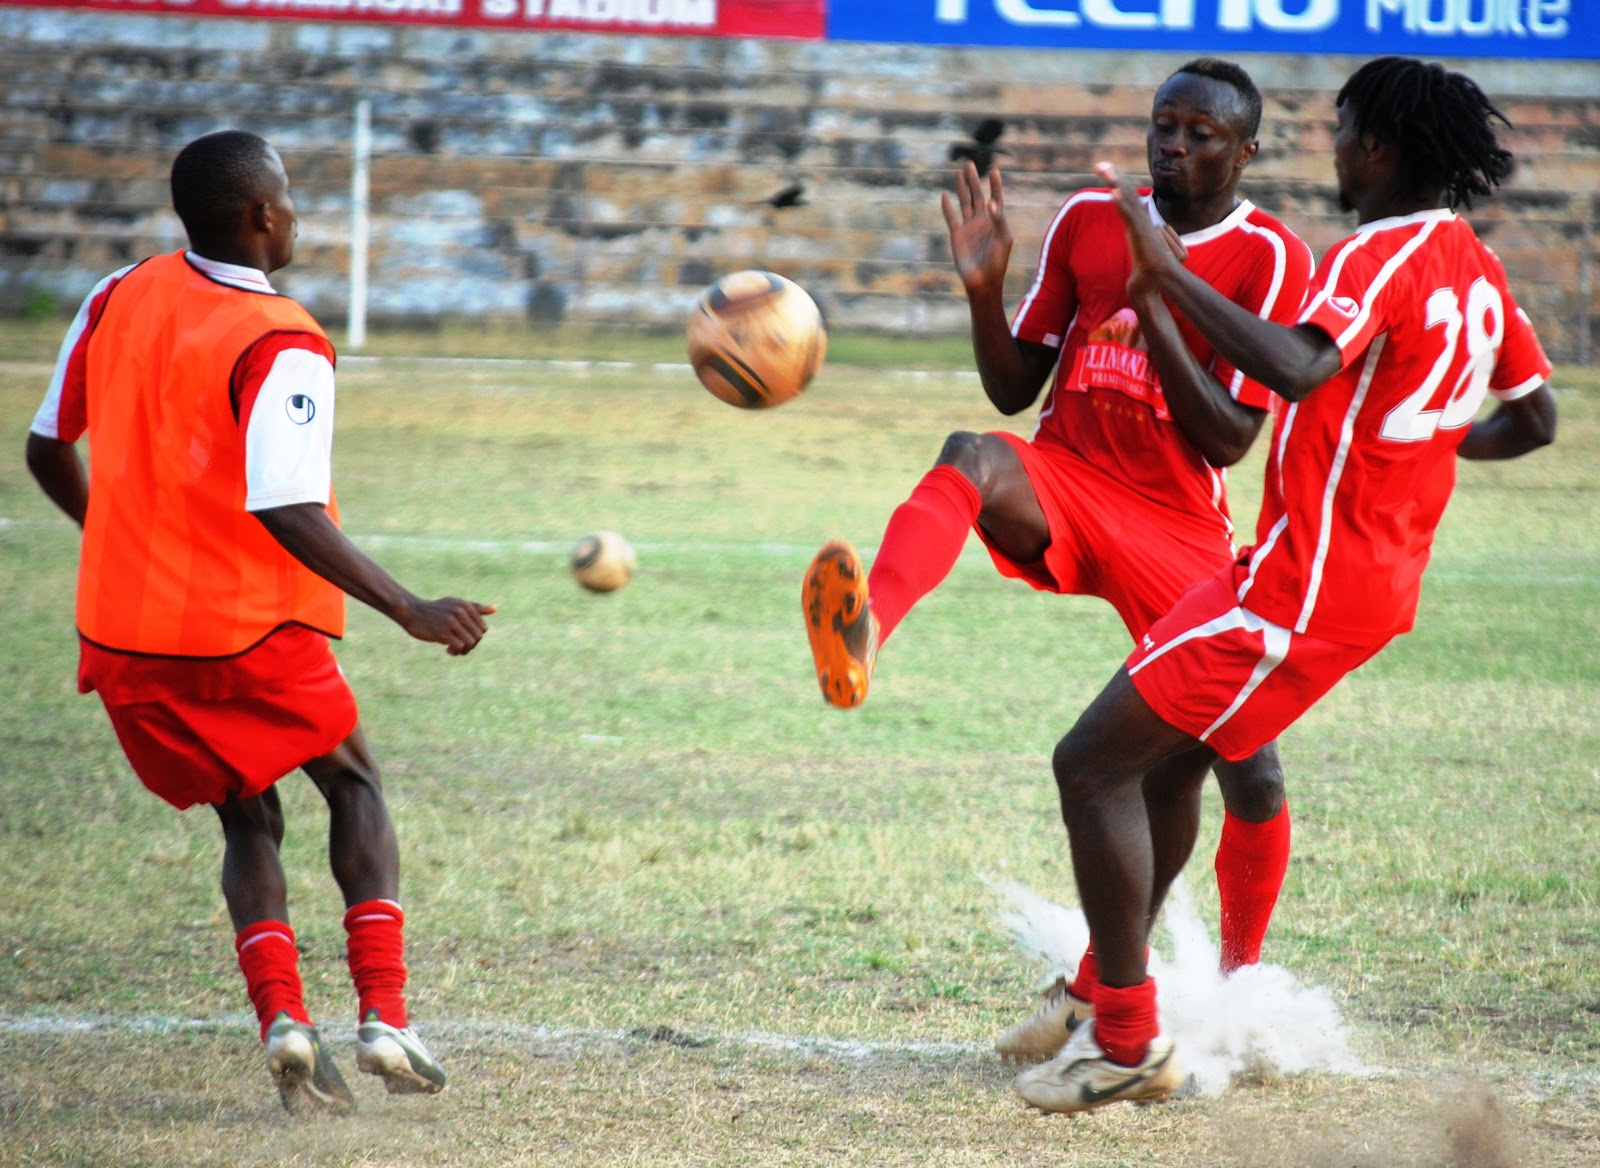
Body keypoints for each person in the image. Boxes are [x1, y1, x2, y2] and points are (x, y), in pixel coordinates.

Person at [1012, 56, 1559, 1113]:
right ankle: (1100, 998)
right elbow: (1535, 418)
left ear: (1381, 148)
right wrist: (1419, 454)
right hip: (1366, 588)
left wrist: (1165, 276)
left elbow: (1303, 367)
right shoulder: (1472, 264)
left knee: (1086, 765)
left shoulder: (1376, 254)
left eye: (1344, 129)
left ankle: (1122, 1037)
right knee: (1168, 763)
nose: (1334, 147)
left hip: (1294, 591)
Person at [800, 59, 1314, 1059]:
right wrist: (985, 288)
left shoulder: (1269, 257)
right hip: (1069, 476)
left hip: (1178, 519)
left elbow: (1226, 442)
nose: (1173, 144)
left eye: (1199, 134)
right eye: (1163, 125)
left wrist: (1156, 298)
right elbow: (1008, 388)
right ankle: (864, 632)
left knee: (1235, 765)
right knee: (971, 456)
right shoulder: (1089, 219)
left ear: (1244, 152)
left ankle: (1224, 986)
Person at [24, 130, 496, 1115]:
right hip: (243, 632)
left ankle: (284, 1022)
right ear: (261, 217)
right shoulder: (283, 337)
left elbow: (43, 449)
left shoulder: (116, 294)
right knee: (354, 778)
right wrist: (410, 607)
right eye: (288, 198)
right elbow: (286, 506)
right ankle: (383, 1018)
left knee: (248, 811)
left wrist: (122, 541)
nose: (295, 213)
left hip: (124, 642)